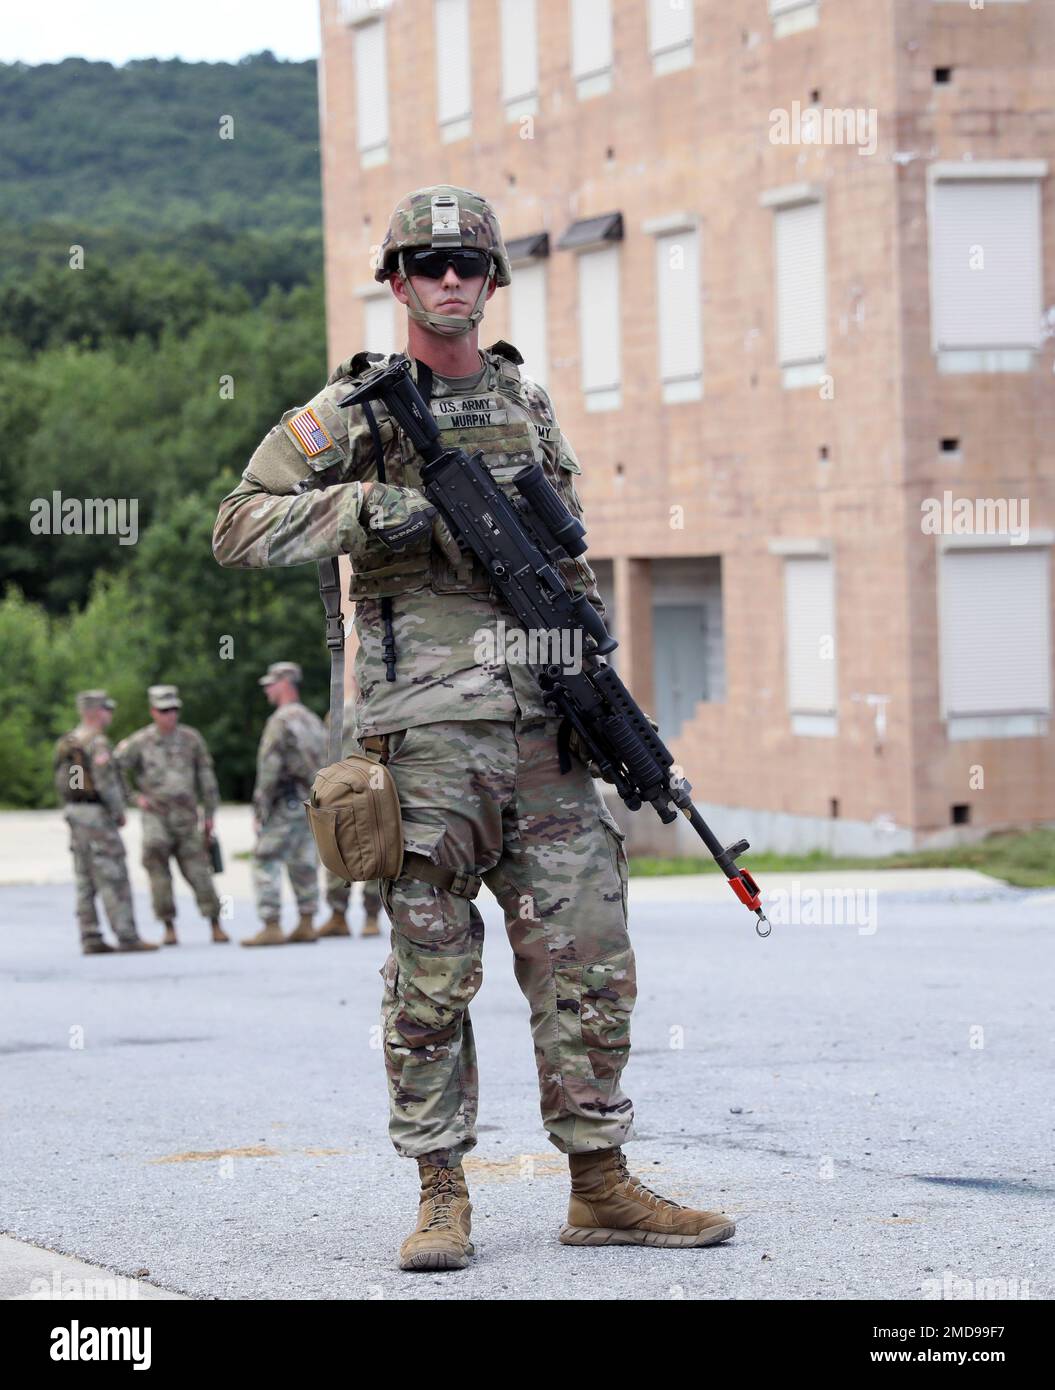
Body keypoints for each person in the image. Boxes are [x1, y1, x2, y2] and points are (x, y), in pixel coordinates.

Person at [213, 185, 735, 1268]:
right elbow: (236, 522)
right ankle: (441, 1192)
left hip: (545, 731)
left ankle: (598, 1182)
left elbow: (564, 556)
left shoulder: (526, 403)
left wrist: (595, 684)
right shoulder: (356, 411)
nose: (451, 279)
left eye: (470, 264)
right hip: (428, 740)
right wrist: (371, 509)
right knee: (429, 973)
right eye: (428, 262)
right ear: (396, 280)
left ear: (492, 283)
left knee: (585, 951)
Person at [115, 685, 228, 946]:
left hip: (187, 816)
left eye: (174, 710)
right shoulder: (140, 741)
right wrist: (133, 798)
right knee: (157, 869)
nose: (170, 715)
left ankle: (215, 923)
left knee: (199, 870)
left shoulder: (191, 739)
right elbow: (115, 767)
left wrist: (210, 812)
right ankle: (168, 926)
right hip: (156, 815)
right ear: (154, 711)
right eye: (165, 710)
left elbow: (206, 776)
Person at [53, 690, 157, 954]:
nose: (110, 715)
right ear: (97, 712)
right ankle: (127, 935)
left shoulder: (71, 741)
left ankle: (90, 936)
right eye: (107, 710)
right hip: (97, 816)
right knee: (114, 874)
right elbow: (105, 782)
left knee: (85, 875)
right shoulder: (97, 743)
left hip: (76, 813)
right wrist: (117, 810)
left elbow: (68, 782)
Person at [243, 662, 326, 947]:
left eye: (270, 684)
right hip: (311, 802)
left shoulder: (280, 721)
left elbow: (269, 768)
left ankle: (271, 924)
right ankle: (307, 922)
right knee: (303, 860)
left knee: (265, 858)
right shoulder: (313, 720)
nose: (267, 689)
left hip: (286, 801)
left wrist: (260, 808)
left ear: (284, 684)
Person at [319, 695, 382, 940]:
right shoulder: (336, 713)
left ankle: (371, 916)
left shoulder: (382, 705)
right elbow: (325, 749)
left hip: (372, 789)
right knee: (336, 850)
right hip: (339, 789)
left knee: (374, 850)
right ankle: (338, 916)